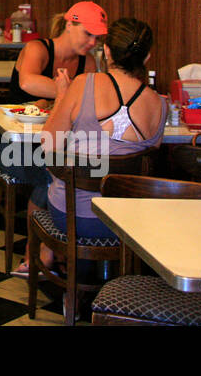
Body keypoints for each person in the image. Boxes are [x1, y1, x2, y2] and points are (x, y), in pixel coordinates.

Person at [37, 17, 166, 265]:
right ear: (147, 57)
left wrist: (63, 95)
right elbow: (145, 166)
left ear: (106, 51)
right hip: (129, 223)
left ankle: (48, 257)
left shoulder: (84, 84)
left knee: (45, 176)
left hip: (74, 217)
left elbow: (49, 145)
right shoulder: (160, 104)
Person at [2, 1, 108, 277]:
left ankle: (62, 250)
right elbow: (27, 83)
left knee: (67, 168)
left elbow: (93, 103)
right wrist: (69, 94)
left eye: (98, 37)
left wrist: (66, 96)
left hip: (59, 146)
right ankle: (35, 254)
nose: (93, 41)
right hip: (15, 146)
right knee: (51, 172)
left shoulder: (89, 62)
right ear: (70, 25)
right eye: (88, 33)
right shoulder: (38, 48)